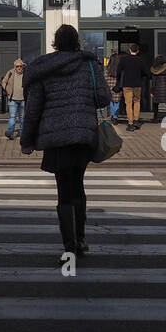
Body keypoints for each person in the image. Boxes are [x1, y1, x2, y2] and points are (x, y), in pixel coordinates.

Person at [20, 25, 107, 261]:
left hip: (56, 137)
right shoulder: (89, 64)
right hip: (82, 135)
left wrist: (26, 140)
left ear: (55, 42)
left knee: (64, 191)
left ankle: (69, 246)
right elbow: (104, 98)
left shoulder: (42, 69)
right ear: (77, 41)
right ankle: (80, 239)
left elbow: (33, 109)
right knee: (78, 185)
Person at [115, 42, 148, 132]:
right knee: (137, 101)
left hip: (127, 84)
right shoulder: (140, 60)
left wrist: (118, 80)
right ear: (137, 51)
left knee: (128, 104)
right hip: (137, 84)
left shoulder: (124, 59)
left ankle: (130, 123)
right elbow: (145, 72)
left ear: (130, 50)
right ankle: (136, 120)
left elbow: (118, 71)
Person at [2, 59, 26, 138]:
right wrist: (7, 90)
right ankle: (10, 132)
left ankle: (23, 133)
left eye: (20, 66)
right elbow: (4, 82)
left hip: (23, 99)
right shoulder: (10, 73)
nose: (19, 68)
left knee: (23, 117)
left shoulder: (26, 73)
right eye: (17, 66)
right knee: (12, 117)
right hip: (13, 99)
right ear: (15, 67)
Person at [149, 55, 166, 121]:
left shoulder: (154, 70)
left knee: (155, 104)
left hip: (157, 89)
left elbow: (153, 82)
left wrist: (152, 91)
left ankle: (155, 117)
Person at [105, 48, 126, 122]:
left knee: (112, 101)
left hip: (109, 86)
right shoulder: (119, 68)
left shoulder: (108, 69)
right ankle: (115, 116)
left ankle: (113, 115)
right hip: (117, 86)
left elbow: (105, 77)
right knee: (117, 101)